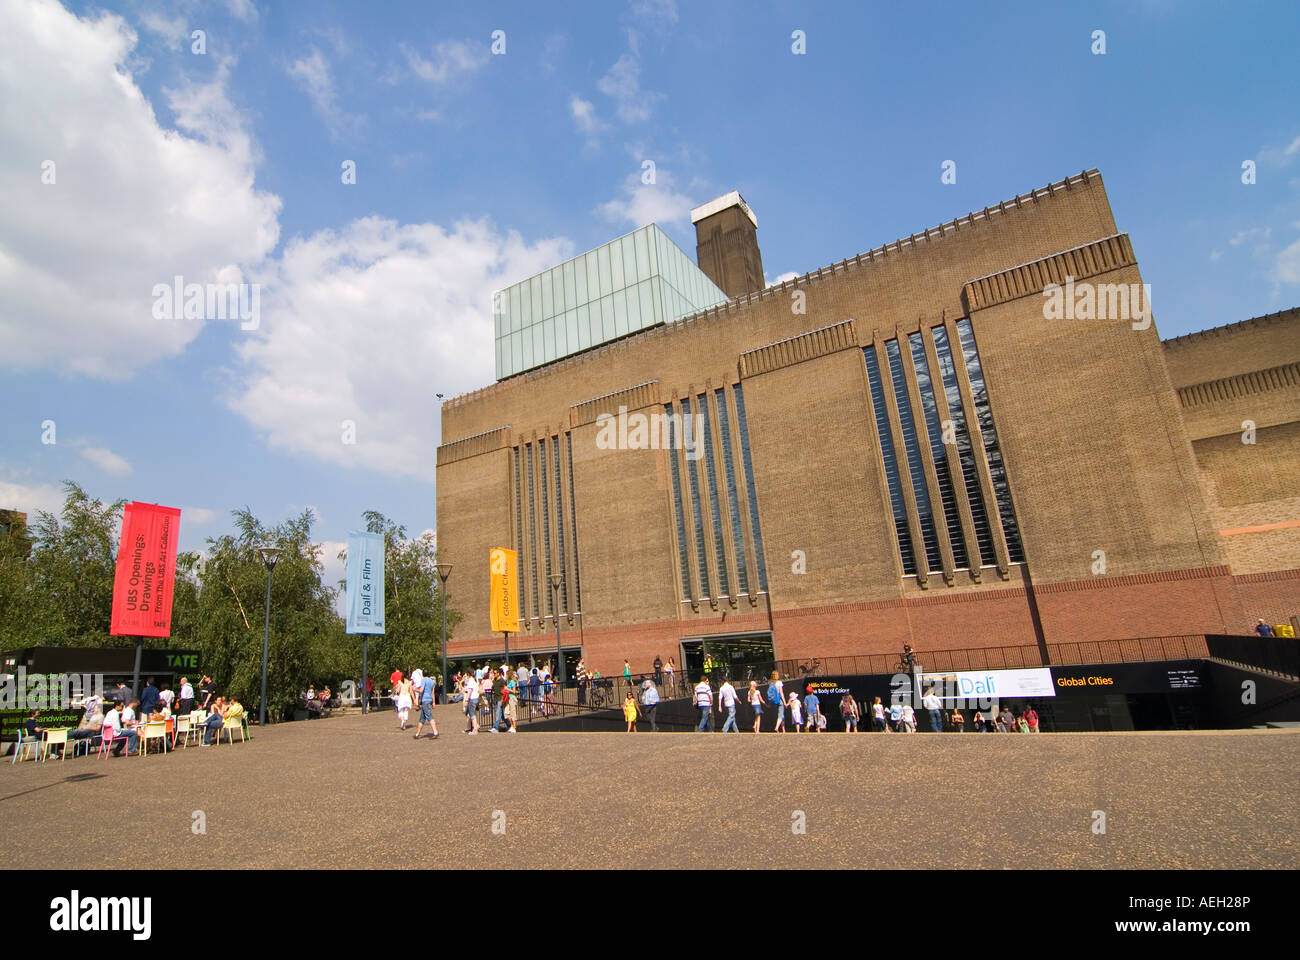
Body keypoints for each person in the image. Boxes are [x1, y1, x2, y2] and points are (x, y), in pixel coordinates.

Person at [411, 669, 439, 740]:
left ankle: (435, 732)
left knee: (429, 716)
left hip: (425, 700)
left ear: (423, 674)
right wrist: (433, 702)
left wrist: (414, 689)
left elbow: (421, 690)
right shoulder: (431, 681)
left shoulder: (423, 680)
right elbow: (432, 693)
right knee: (422, 718)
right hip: (429, 699)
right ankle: (417, 734)